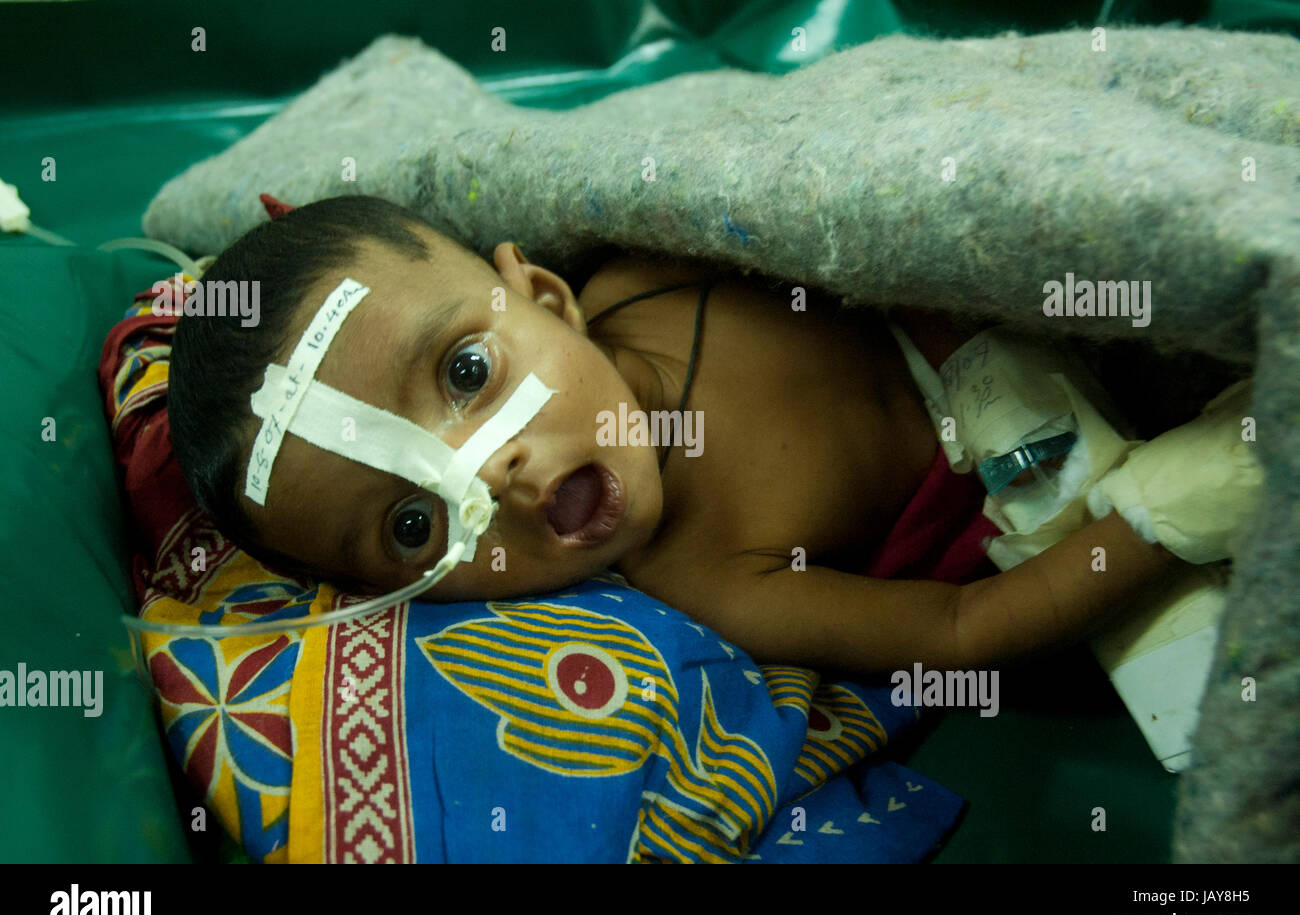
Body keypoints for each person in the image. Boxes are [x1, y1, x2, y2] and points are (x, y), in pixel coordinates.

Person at [168, 195, 1181, 675]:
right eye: (409, 526)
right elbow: (968, 631)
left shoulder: (669, 255)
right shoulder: (714, 578)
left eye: (467, 374)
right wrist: (1170, 503)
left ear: (547, 294)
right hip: (1085, 452)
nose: (491, 475)